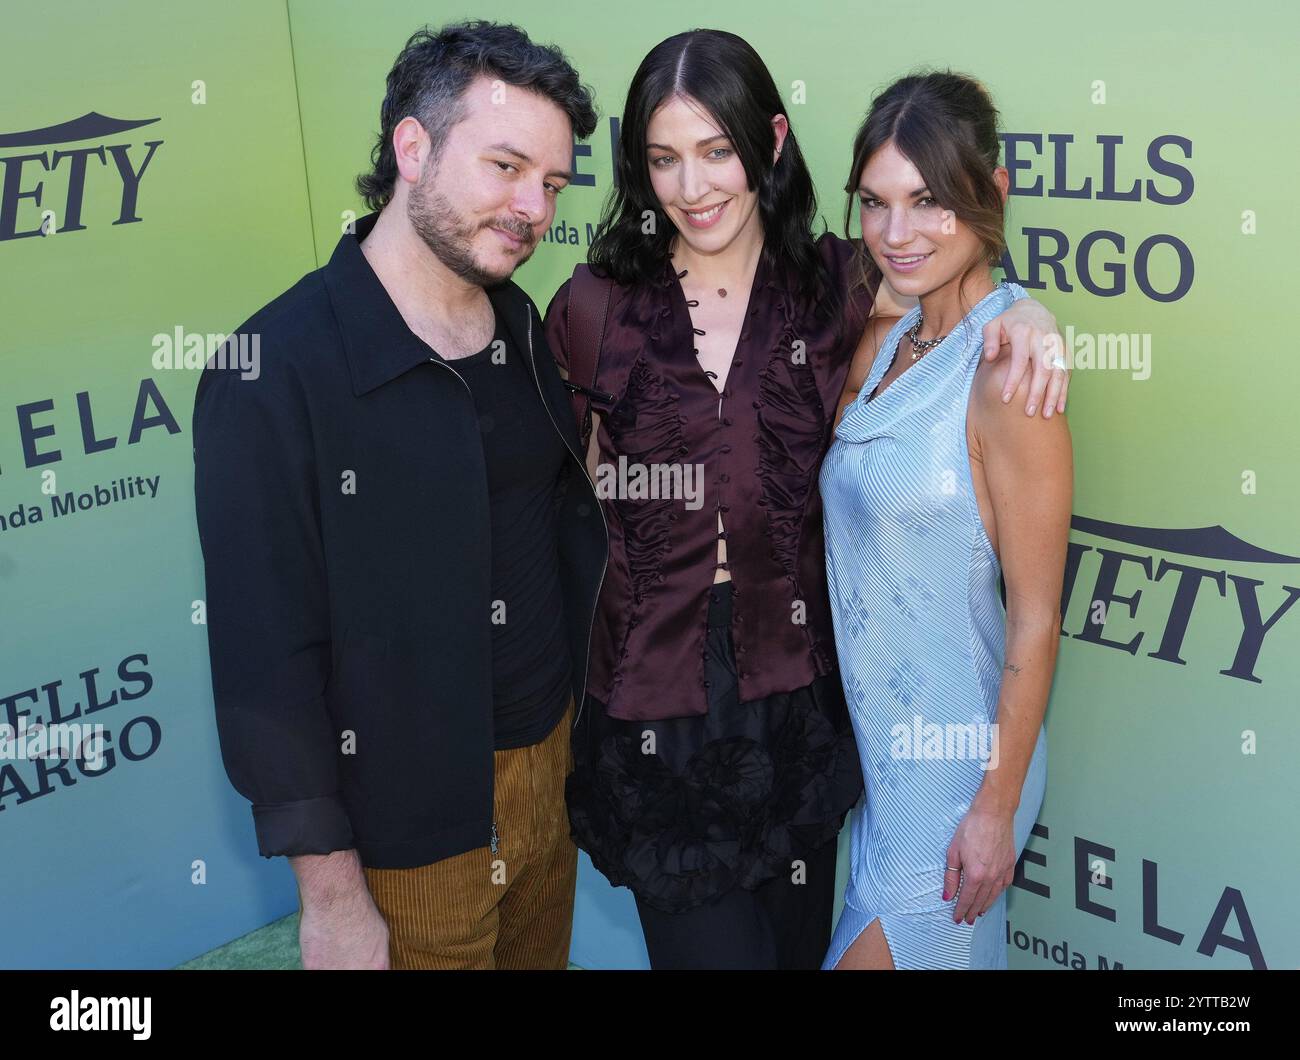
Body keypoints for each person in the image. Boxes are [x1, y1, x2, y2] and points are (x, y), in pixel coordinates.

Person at [544, 30, 1069, 970]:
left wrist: (1029, 310)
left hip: (799, 705)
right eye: (664, 158)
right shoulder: (593, 308)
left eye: (717, 151)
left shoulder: (839, 284)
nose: (693, 186)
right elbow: (560, 505)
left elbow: (955, 302)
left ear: (770, 141)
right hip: (654, 708)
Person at [192, 21, 606, 969]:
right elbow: (266, 665)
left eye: (551, 183)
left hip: (550, 779)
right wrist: (332, 899)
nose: (530, 207)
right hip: (408, 836)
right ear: (411, 149)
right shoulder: (273, 373)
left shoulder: (518, 321)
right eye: (505, 165)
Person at [820, 71, 1073, 970]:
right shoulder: (892, 332)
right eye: (876, 203)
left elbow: (1037, 616)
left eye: (928, 201)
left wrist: (995, 805)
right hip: (882, 769)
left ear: (990, 193)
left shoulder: (1012, 372)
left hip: (958, 768)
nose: (896, 233)